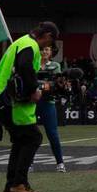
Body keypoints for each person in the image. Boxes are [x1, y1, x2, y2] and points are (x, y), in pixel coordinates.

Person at [0, 21, 61, 192]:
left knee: (20, 140)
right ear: (48, 36)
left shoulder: (21, 42)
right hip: (7, 100)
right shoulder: (30, 45)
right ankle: (18, 184)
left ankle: (11, 186)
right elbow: (25, 66)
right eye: (50, 43)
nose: (47, 47)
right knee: (32, 138)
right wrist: (35, 88)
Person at [36, 44, 66, 173]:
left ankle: (60, 163)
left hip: (48, 102)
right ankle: (28, 164)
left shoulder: (56, 66)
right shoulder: (33, 64)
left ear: (51, 52)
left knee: (52, 134)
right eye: (42, 49)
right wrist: (45, 84)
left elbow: (56, 84)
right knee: (30, 134)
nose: (44, 51)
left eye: (47, 49)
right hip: (33, 103)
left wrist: (39, 85)